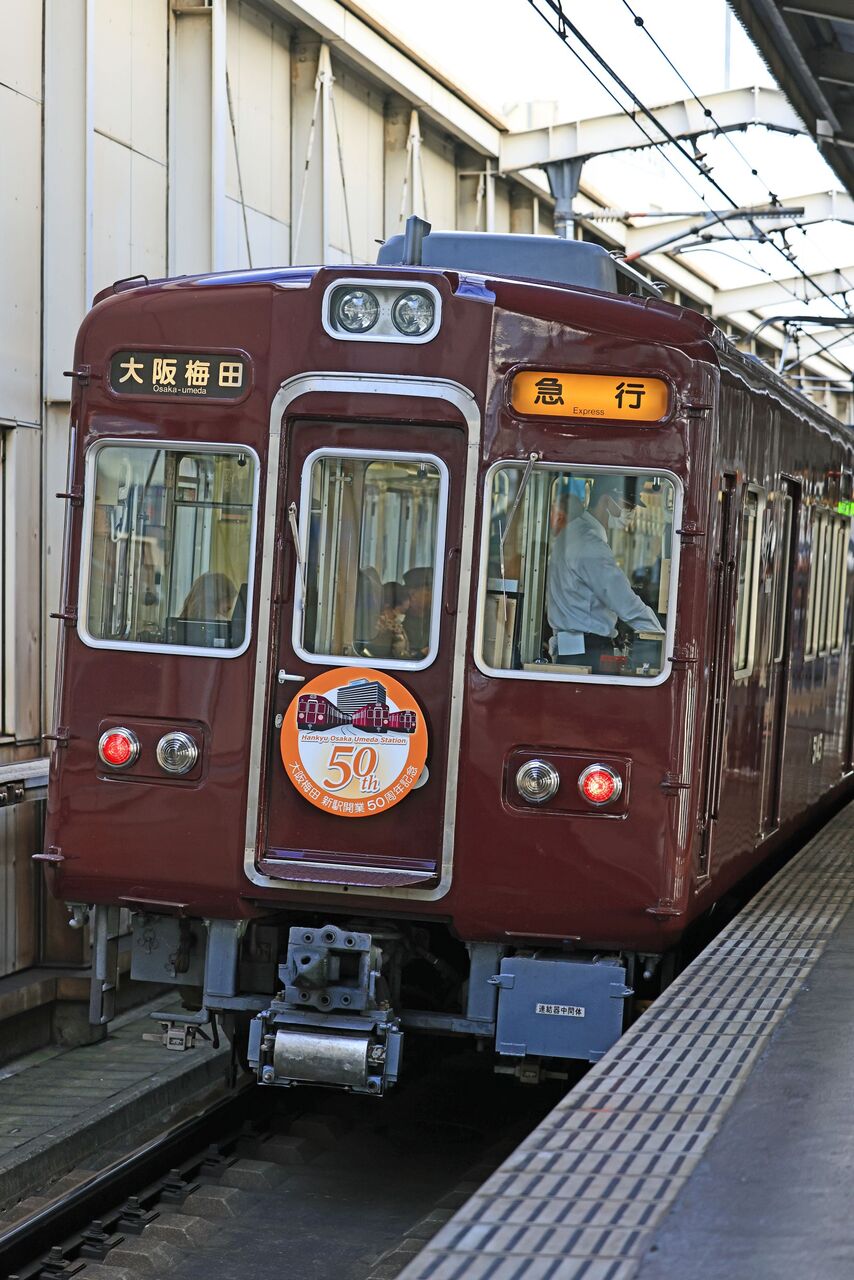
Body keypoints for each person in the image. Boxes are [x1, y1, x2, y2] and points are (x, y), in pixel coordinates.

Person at [546, 475, 663, 672]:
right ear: (606, 500)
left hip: (572, 650)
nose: (631, 513)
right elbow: (625, 604)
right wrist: (661, 636)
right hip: (588, 652)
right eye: (628, 506)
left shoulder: (573, 532)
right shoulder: (590, 545)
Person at [402, 566, 433, 657]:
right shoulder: (399, 621)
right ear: (413, 594)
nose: (431, 594)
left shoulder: (435, 620)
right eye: (428, 590)